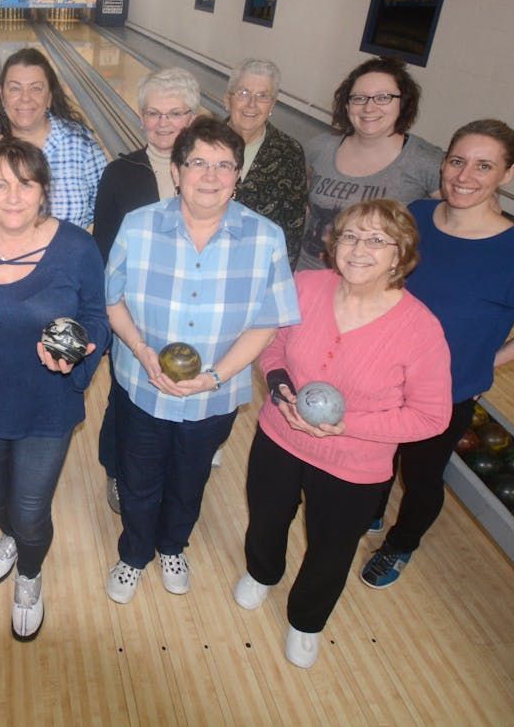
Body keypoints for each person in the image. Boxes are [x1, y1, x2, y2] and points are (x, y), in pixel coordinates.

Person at [235, 199, 452, 669]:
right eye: (350, 236)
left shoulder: (421, 329)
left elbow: (431, 418)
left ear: (400, 255)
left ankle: (306, 621)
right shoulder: (305, 286)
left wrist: (348, 425)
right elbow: (272, 345)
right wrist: (279, 385)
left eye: (377, 240)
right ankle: (262, 572)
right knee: (267, 517)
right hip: (280, 436)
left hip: (354, 465)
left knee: (331, 548)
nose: (358, 248)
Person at [361, 119, 514, 588]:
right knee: (375, 453)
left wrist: (488, 361)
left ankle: (401, 543)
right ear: (444, 162)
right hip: (383, 373)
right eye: (457, 161)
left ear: (507, 175)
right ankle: (371, 511)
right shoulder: (415, 214)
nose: (465, 176)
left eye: (484, 166)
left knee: (420, 475)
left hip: (445, 392)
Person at [103, 117, 299, 604]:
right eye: (198, 163)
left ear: (238, 175)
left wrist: (214, 376)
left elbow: (267, 322)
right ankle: (133, 554)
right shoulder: (139, 224)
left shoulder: (266, 237)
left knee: (189, 482)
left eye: (224, 165)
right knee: (138, 477)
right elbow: (112, 302)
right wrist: (142, 351)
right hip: (142, 384)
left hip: (215, 396)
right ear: (176, 171)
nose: (210, 176)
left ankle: (172, 546)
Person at [0, 139, 109, 641]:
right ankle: (9, 536)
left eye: (25, 184)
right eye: (1, 184)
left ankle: (29, 573)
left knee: (32, 511)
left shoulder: (76, 246)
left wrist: (74, 366)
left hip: (46, 402)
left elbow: (96, 318)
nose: (13, 196)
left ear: (43, 191)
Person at [92, 67, 201, 515]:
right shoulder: (121, 172)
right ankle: (117, 471)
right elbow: (104, 247)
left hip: (192, 308)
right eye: (153, 113)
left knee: (183, 394)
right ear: (140, 118)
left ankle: (174, 471)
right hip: (133, 313)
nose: (162, 123)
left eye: (173, 114)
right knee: (125, 395)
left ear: (192, 118)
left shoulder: (208, 170)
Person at [298, 56, 440, 270]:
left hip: (371, 288)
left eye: (383, 97)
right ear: (347, 105)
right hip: (307, 276)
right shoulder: (320, 148)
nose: (369, 108)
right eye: (359, 98)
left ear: (403, 103)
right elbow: (302, 205)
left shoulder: (424, 161)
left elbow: (458, 217)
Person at [0, 47, 107, 228]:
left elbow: (103, 206)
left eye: (36, 89)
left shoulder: (81, 144)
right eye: (15, 88)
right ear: (2, 95)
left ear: (49, 97)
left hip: (65, 254)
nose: (25, 98)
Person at [224, 58, 307, 268]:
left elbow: (292, 228)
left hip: (257, 270)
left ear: (272, 105)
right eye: (243, 93)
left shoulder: (289, 152)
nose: (252, 104)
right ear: (228, 99)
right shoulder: (202, 143)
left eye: (262, 96)